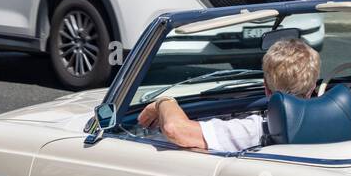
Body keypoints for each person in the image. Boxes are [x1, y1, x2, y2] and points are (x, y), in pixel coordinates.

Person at [137, 37, 320, 152]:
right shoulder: (343, 120)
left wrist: (163, 102)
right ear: (313, 88)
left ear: (266, 88)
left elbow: (176, 130)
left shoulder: (257, 129)